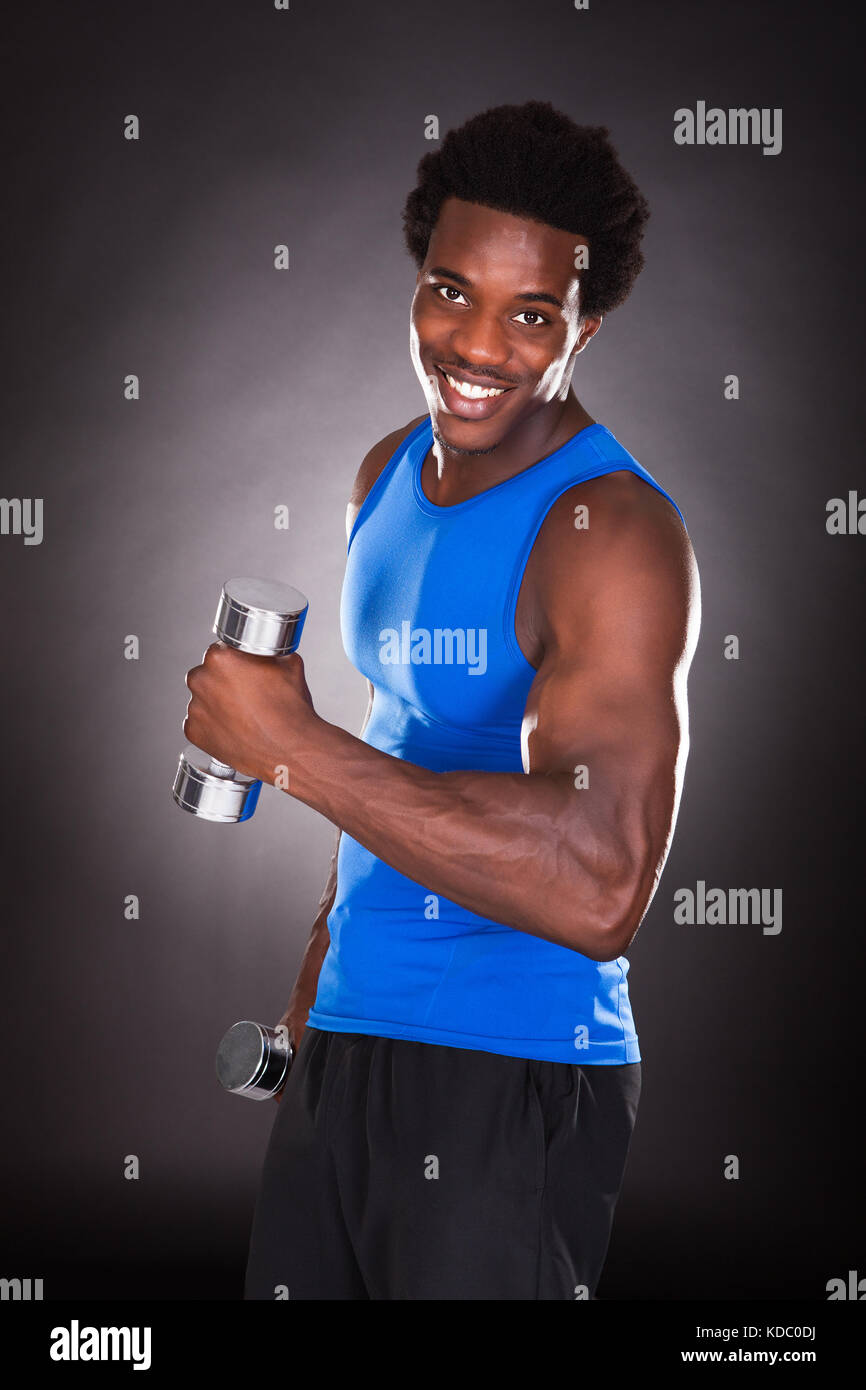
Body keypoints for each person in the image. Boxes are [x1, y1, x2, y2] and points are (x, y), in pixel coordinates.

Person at [183, 99, 701, 1300]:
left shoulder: (613, 532)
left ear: (589, 318)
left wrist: (287, 751)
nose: (475, 345)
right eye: (448, 290)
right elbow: (403, 745)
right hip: (350, 1045)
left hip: (510, 1066)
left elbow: (598, 881)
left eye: (532, 314)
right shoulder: (384, 473)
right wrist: (319, 994)